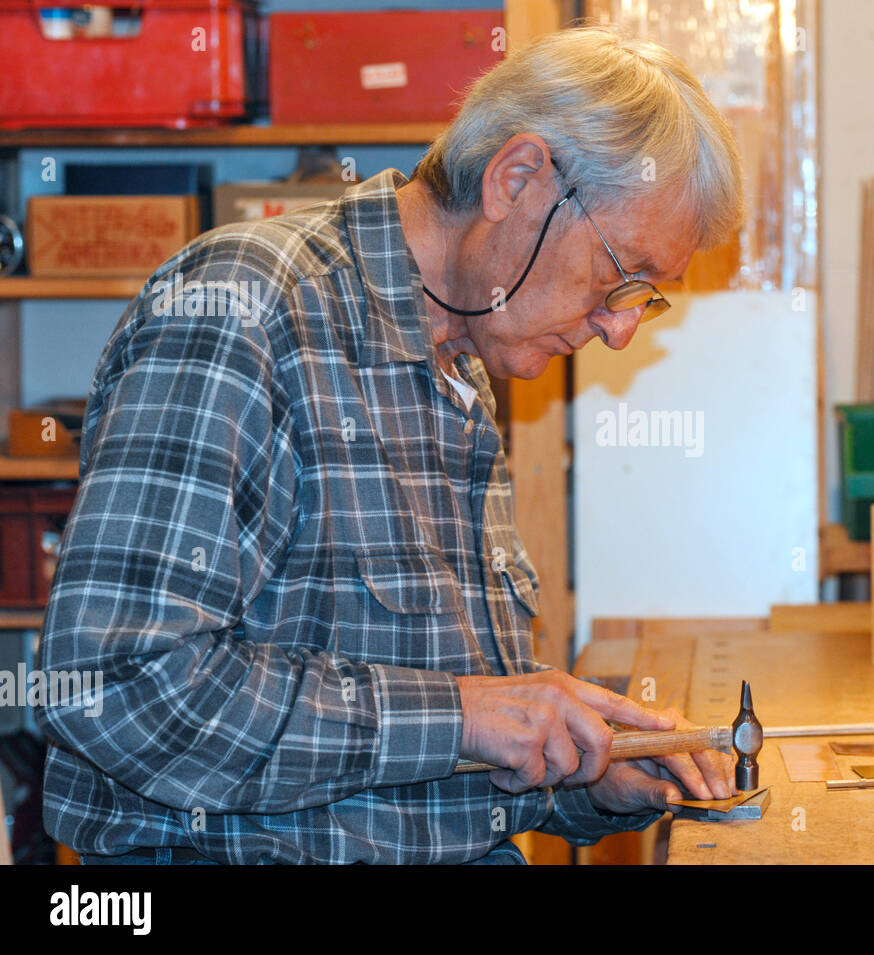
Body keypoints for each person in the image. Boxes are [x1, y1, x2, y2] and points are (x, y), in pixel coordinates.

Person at [35, 25, 744, 864]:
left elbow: (419, 751)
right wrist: (470, 714)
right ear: (517, 180)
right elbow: (118, 687)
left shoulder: (461, 364)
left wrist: (586, 772)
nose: (621, 328)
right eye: (619, 275)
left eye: (644, 298)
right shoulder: (244, 310)